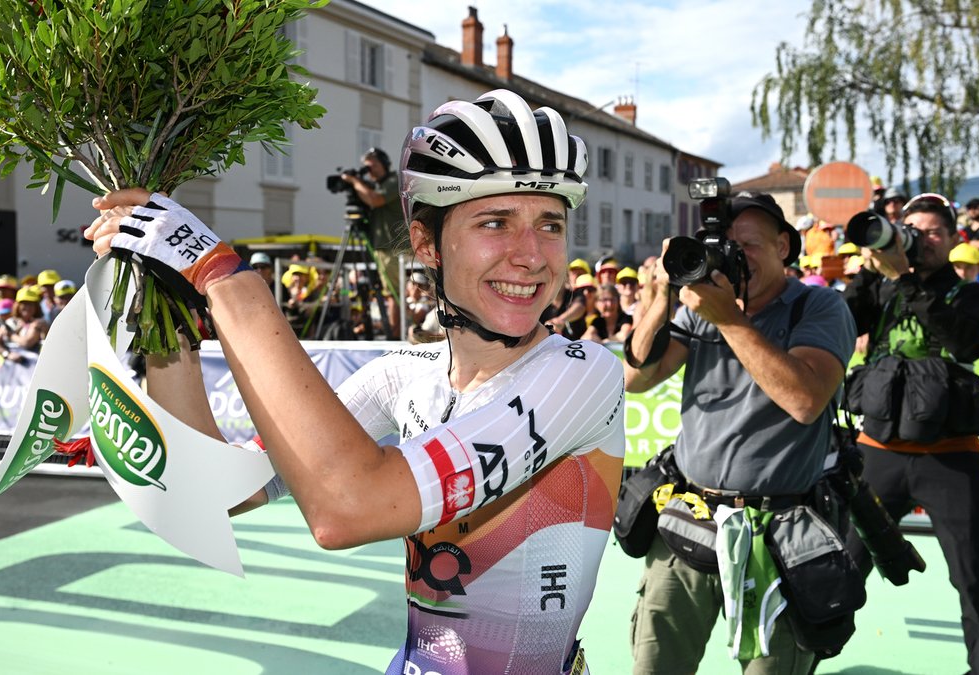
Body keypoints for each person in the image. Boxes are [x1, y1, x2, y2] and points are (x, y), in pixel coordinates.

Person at [86, 89, 625, 675]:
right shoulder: (402, 377)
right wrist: (173, 331)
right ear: (426, 244)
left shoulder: (583, 374)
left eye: (550, 225)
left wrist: (222, 276)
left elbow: (347, 509)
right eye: (495, 223)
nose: (531, 255)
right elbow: (215, 490)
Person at [624, 191, 856, 674]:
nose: (732, 255)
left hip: (778, 533)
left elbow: (806, 400)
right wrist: (663, 295)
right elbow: (636, 378)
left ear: (784, 247)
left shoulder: (818, 307)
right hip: (689, 518)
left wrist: (730, 318)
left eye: (747, 244)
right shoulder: (701, 306)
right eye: (722, 243)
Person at [841, 193, 979, 675]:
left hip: (951, 457)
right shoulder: (882, 286)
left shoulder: (971, 293)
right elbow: (842, 323)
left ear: (953, 238)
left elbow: (962, 340)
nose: (922, 240)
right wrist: (870, 270)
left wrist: (904, 280)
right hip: (877, 454)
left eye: (933, 232)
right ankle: (804, 659)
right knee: (841, 573)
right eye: (912, 229)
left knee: (972, 576)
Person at [344, 146, 405, 338]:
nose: (370, 170)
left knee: (394, 293)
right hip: (383, 247)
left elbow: (375, 200)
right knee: (390, 293)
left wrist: (354, 181)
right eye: (366, 167)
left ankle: (395, 336)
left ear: (385, 164)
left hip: (393, 247)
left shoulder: (394, 181)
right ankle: (395, 331)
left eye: (374, 165)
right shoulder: (374, 186)